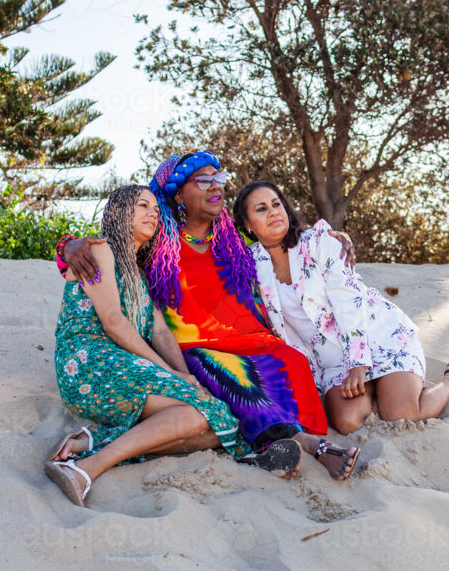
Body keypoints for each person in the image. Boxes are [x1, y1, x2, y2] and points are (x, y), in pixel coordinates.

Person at [59, 153, 360, 481]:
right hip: (193, 347)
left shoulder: (233, 243)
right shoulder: (157, 244)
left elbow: (285, 246)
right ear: (178, 194)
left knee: (287, 364)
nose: (215, 186)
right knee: (224, 373)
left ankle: (266, 444)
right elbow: (109, 256)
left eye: (219, 178)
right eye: (203, 181)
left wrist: (331, 239)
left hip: (249, 340)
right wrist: (67, 246)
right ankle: (308, 443)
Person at [46, 184, 302, 507]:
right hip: (89, 365)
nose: (152, 213)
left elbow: (162, 333)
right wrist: (168, 372)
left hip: (120, 368)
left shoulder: (138, 273)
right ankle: (86, 468)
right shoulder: (99, 250)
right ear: (116, 213)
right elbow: (112, 320)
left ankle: (88, 443)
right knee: (200, 414)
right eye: (142, 206)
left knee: (215, 424)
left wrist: (187, 376)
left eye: (155, 208)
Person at [233, 181, 449, 436]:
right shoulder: (250, 265)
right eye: (261, 209)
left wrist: (358, 365)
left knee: (403, 415)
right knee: (347, 422)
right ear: (248, 224)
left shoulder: (319, 242)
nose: (273, 212)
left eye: (276, 204)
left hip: (378, 339)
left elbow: (348, 302)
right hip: (334, 363)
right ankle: (387, 391)